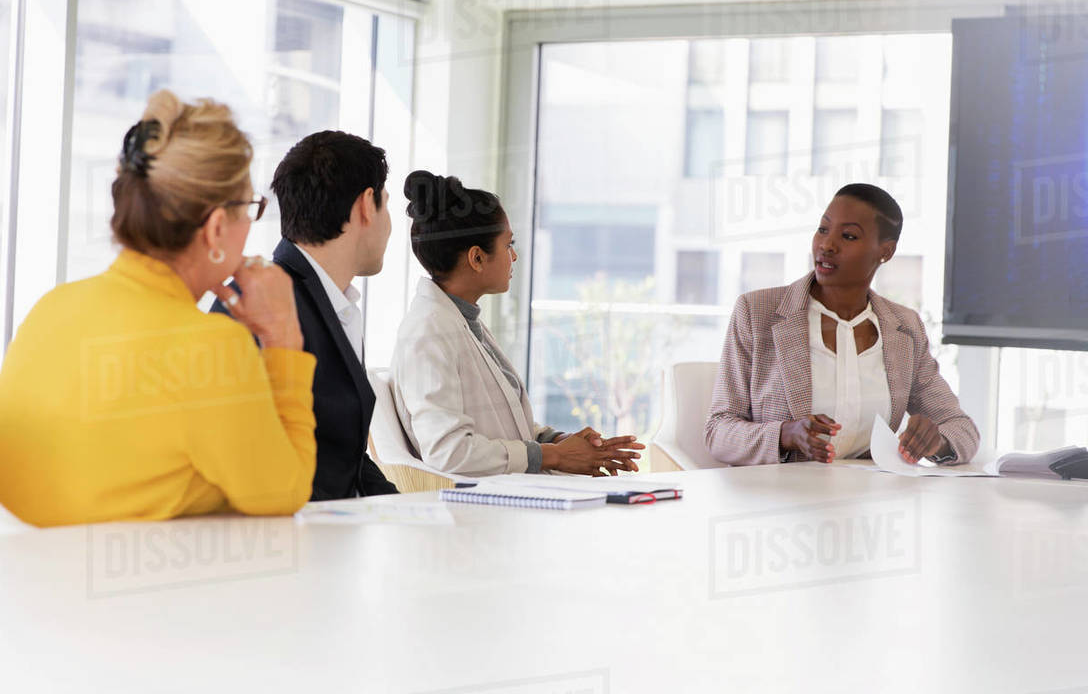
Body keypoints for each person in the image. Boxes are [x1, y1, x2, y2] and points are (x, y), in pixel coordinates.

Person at [0, 91, 317, 526]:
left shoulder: (52, 307)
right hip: (110, 591)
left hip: (12, 583)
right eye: (251, 208)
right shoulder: (209, 345)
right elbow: (283, 490)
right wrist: (283, 338)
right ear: (215, 228)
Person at [391, 170, 644, 477]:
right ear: (477, 258)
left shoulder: (462, 321)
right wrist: (553, 456)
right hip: (484, 514)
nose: (514, 256)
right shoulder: (428, 333)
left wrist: (560, 442)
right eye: (508, 245)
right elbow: (449, 453)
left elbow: (499, 422)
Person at [705, 183, 979, 467]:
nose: (827, 245)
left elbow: (962, 428)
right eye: (823, 230)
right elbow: (718, 431)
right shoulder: (757, 312)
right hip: (778, 498)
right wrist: (785, 434)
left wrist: (937, 441)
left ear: (885, 251)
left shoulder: (904, 328)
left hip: (869, 502)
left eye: (848, 236)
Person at [213, 131, 397, 500]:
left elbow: (344, 456)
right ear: (366, 205)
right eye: (386, 205)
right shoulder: (260, 303)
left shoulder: (332, 300)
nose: (390, 224)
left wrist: (408, 510)